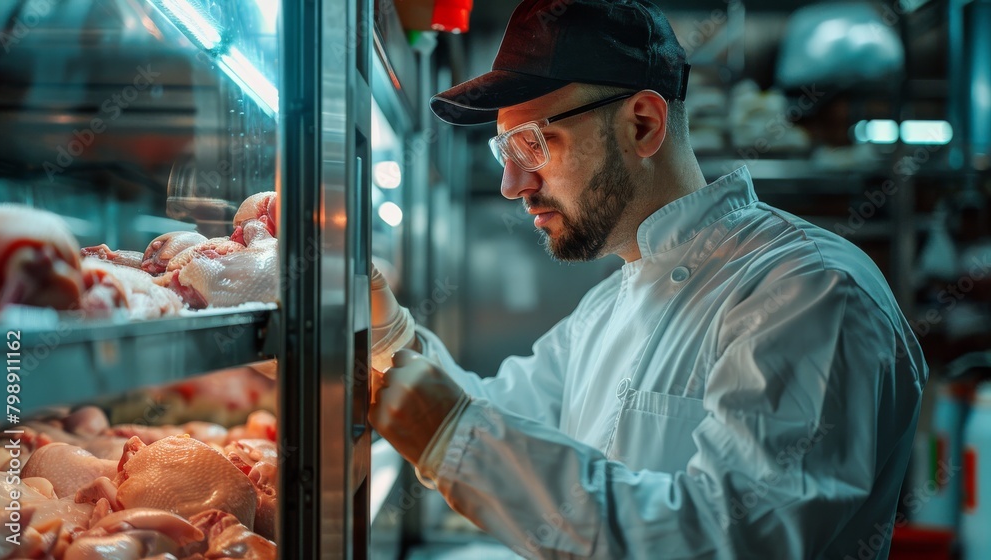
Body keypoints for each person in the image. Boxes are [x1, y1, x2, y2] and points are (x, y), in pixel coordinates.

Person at [369, 1, 929, 558]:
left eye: (533, 143)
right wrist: (383, 329)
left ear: (643, 123)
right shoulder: (606, 304)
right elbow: (489, 409)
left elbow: (727, 538)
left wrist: (461, 443)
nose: (512, 185)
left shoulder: (809, 292)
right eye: (503, 151)